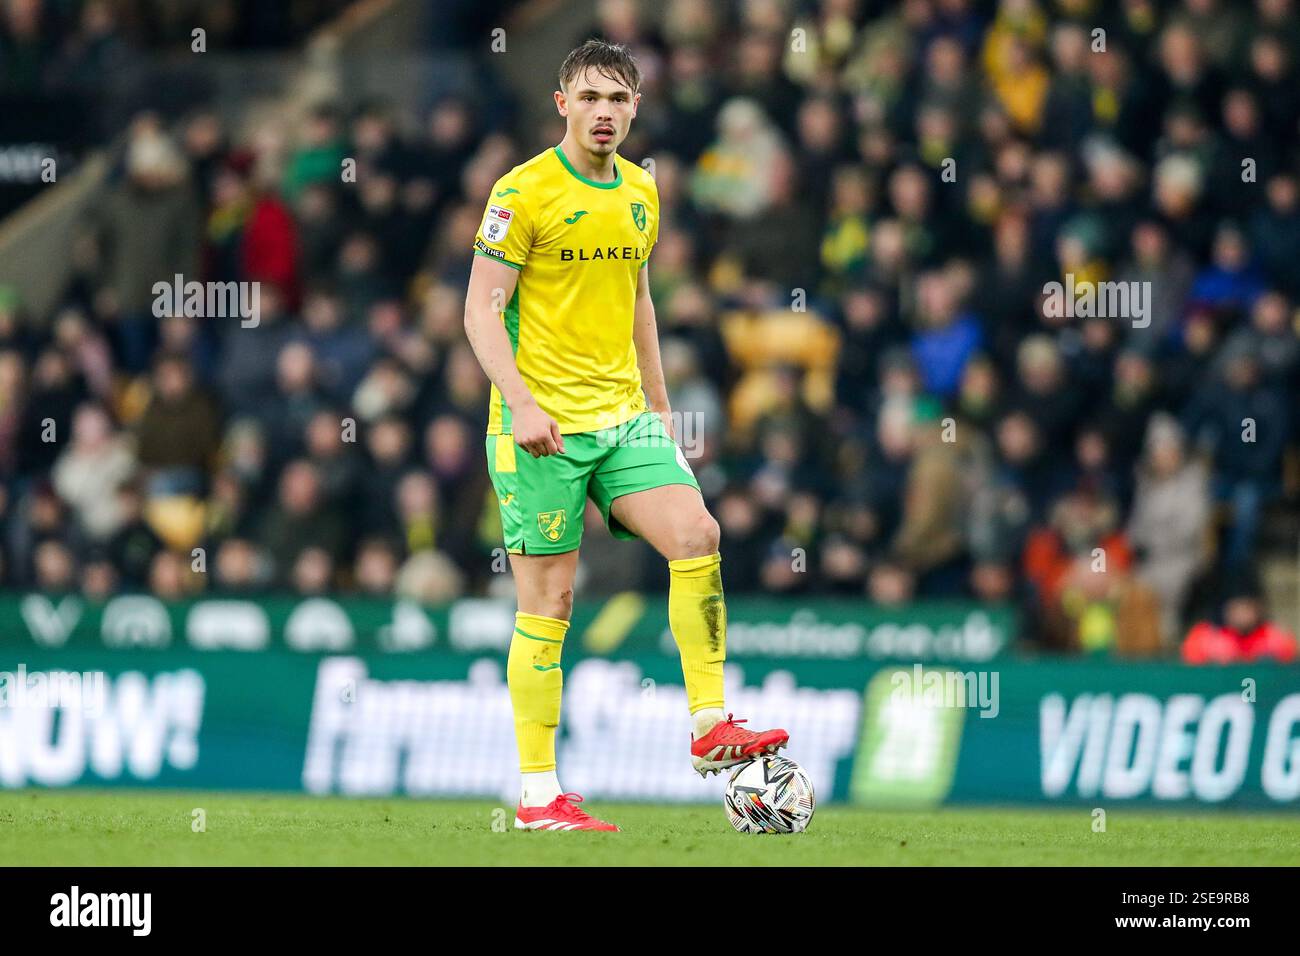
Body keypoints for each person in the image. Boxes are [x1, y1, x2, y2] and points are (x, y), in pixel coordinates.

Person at [463, 40, 788, 833]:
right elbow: (479, 310)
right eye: (590, 97)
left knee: (697, 532)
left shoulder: (642, 189)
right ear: (562, 102)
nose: (604, 112)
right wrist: (522, 401)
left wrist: (662, 412)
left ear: (636, 107)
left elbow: (641, 303)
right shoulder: (522, 191)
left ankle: (710, 725)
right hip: (539, 427)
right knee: (549, 603)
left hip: (624, 418)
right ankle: (540, 793)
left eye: (618, 98)